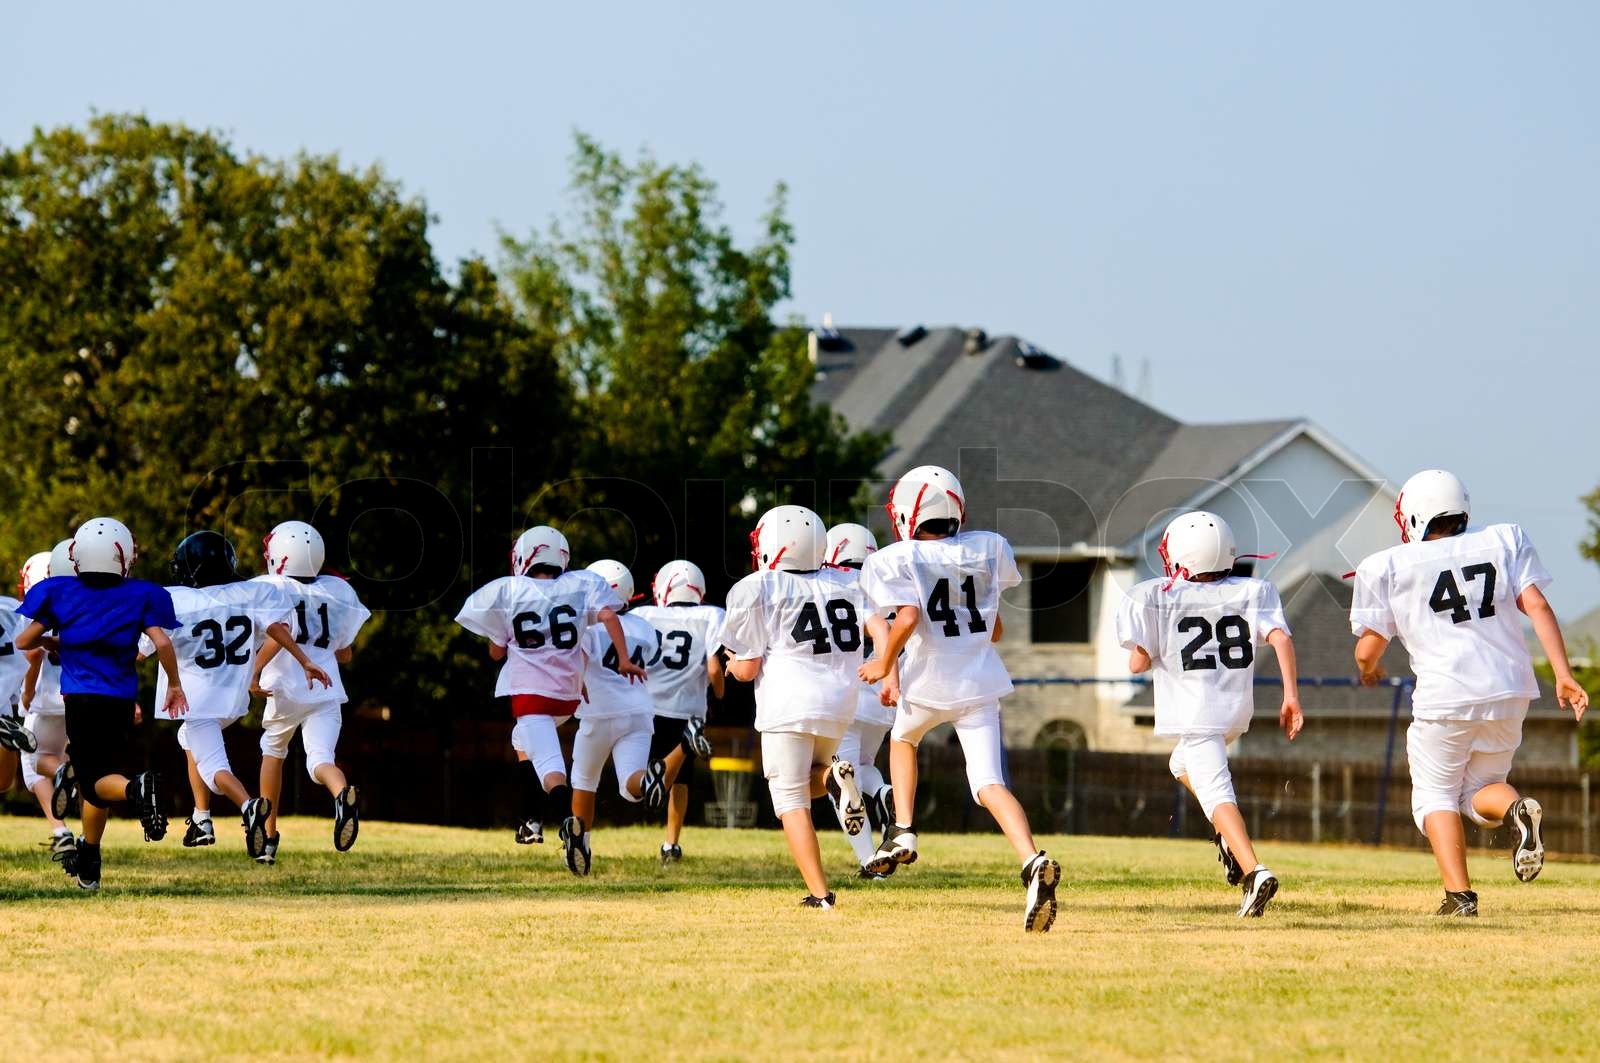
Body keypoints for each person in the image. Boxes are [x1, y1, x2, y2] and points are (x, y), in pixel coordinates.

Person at [1351, 469, 1589, 916]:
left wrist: (1369, 667)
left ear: (1413, 516)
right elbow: (1536, 604)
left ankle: (1460, 898)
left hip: (1446, 694)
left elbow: (1369, 647)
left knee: (1434, 797)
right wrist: (1563, 674)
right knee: (1483, 787)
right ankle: (1517, 808)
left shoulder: (1386, 566)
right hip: (1510, 689)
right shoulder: (1503, 539)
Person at [857, 465, 1060, 932]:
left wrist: (884, 663)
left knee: (904, 741)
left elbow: (907, 617)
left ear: (908, 513)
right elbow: (995, 626)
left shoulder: (895, 558)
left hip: (929, 680)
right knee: (990, 785)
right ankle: (1032, 860)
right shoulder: (989, 547)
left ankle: (903, 828)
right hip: (980, 682)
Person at [1117, 510, 1302, 917]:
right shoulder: (1253, 591)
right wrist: (1291, 696)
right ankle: (1227, 838)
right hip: (1234, 711)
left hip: (1196, 712)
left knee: (1218, 792)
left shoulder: (1160, 596)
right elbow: (1281, 638)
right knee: (1180, 763)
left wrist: (1150, 648)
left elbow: (1136, 663)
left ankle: (1253, 870)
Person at [453, 526, 644, 873]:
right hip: (568, 695)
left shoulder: (509, 591)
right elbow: (608, 616)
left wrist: (503, 636)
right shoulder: (580, 584)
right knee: (521, 740)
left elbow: (496, 652)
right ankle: (530, 821)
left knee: (551, 771)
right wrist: (625, 658)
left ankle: (569, 823)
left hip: (531, 697)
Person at [16, 517, 187, 891]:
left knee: (95, 781)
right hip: (121, 701)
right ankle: (90, 857)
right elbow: (161, 643)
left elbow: (25, 640)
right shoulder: (141, 594)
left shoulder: (61, 591)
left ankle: (137, 790)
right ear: (121, 554)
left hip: (82, 699)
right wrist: (174, 683)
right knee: (98, 777)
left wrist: (53, 641)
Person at [143, 531, 330, 858]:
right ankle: (202, 820)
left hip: (197, 700)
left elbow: (141, 650)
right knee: (187, 740)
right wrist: (305, 660)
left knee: (215, 770)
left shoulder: (175, 601)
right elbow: (277, 628)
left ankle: (248, 806)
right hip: (232, 698)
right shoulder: (249, 594)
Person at [722, 504, 870, 910]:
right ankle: (834, 779)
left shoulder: (759, 587)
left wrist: (731, 665)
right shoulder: (849, 582)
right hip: (840, 701)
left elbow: (748, 667)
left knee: (789, 800)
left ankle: (821, 896)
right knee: (813, 781)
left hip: (789, 701)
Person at [248, 521, 371, 863]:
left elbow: (278, 633)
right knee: (321, 759)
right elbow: (344, 653)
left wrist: (254, 670)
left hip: (287, 687)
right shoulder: (337, 590)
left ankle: (268, 838)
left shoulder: (270, 587)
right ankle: (341, 793)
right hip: (328, 688)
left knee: (273, 751)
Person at [566, 560, 661, 875]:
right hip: (638, 711)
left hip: (599, 711)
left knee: (584, 779)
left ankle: (581, 844)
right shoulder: (645, 627)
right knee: (631, 783)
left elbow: (578, 656)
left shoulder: (588, 624)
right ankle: (649, 779)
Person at [631, 559, 724, 864]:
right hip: (691, 709)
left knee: (647, 781)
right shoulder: (711, 615)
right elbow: (713, 668)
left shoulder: (643, 614)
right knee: (681, 781)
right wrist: (719, 694)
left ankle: (684, 744)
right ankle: (671, 844)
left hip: (651, 706)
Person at [824, 522, 897, 878]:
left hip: (846, 694)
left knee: (840, 783)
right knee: (864, 769)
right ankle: (883, 792)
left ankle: (870, 860)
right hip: (885, 698)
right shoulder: (887, 585)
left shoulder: (825, 584)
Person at [17, 544, 78, 872]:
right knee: (54, 760)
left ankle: (61, 829)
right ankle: (62, 830)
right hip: (77, 694)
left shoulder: (38, 607)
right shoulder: (79, 603)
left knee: (34, 765)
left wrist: (26, 693)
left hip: (45, 696)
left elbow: (33, 653)